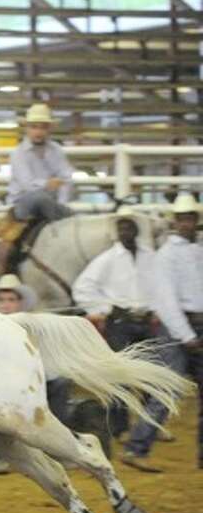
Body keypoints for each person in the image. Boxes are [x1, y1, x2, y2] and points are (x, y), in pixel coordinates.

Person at [122, 194, 203, 472]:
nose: (186, 223)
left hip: (193, 325)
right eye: (182, 219)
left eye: (190, 218)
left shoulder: (196, 250)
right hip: (179, 328)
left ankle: (138, 447)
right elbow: (166, 301)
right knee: (168, 391)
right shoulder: (167, 255)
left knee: (170, 391)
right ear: (176, 221)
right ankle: (135, 447)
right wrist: (186, 335)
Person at [0, 274, 72, 474]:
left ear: (20, 303)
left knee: (60, 383)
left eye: (11, 300)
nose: (6, 305)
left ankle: (58, 448)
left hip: (31, 378)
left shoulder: (32, 324)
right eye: (2, 300)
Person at [72, 207, 158, 352]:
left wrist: (156, 310)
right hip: (120, 323)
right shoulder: (108, 258)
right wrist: (107, 309)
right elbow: (81, 287)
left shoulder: (150, 256)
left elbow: (160, 287)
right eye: (121, 229)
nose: (124, 233)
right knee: (124, 366)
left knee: (150, 365)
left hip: (147, 322)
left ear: (136, 230)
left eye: (128, 228)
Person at [7, 103, 74, 222]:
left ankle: (60, 216)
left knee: (49, 202)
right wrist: (47, 184)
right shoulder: (18, 153)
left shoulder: (56, 150)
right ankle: (60, 218)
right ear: (27, 128)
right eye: (34, 127)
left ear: (49, 129)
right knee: (40, 198)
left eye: (43, 127)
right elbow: (27, 185)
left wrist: (62, 204)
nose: (39, 132)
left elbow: (66, 180)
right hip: (22, 203)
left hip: (50, 204)